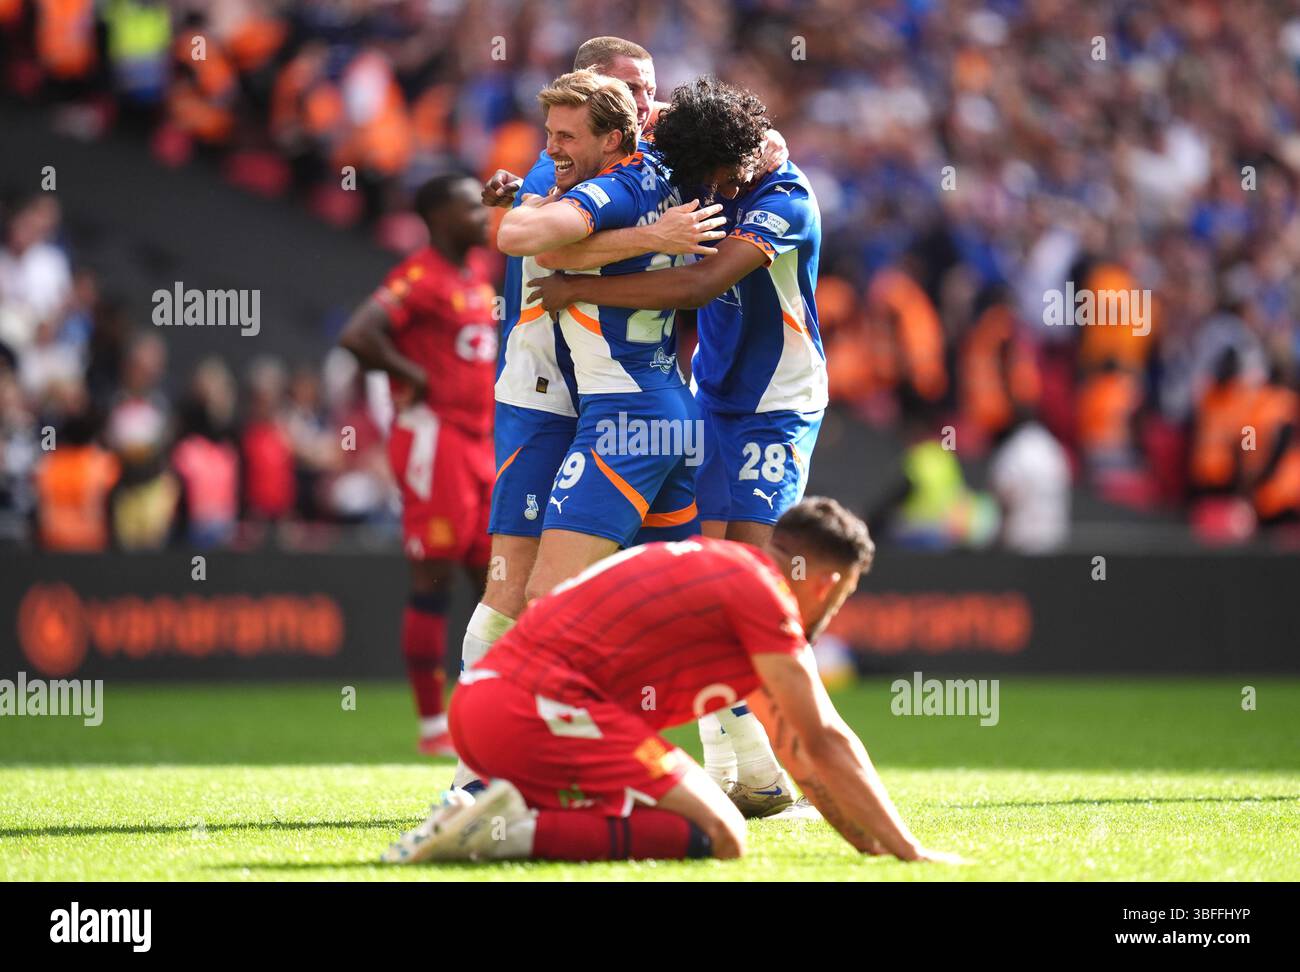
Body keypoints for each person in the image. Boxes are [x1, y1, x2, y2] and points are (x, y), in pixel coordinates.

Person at [528, 76, 828, 815]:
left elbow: (699, 285)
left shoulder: (785, 199)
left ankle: (791, 761)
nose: (707, 189)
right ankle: (747, 772)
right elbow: (643, 133)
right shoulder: (714, 165)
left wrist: (578, 287)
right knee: (700, 590)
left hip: (775, 411)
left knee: (746, 586)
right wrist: (526, 186)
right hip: (710, 398)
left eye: (715, 177)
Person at [381, 497, 963, 865]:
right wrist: (910, 851)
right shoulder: (762, 594)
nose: (835, 612)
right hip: (541, 713)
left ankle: (485, 812)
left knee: (698, 822)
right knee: (722, 833)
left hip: (487, 713)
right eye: (842, 596)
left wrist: (866, 842)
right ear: (826, 579)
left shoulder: (726, 579)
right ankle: (503, 831)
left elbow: (796, 747)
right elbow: (826, 739)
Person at [337, 172, 496, 755]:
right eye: (470, 209)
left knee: (493, 578)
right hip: (435, 439)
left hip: (480, 441)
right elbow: (359, 335)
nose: (483, 217)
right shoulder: (418, 276)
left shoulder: (475, 276)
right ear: (437, 219)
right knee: (432, 575)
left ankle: (490, 710)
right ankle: (433, 727)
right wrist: (414, 378)